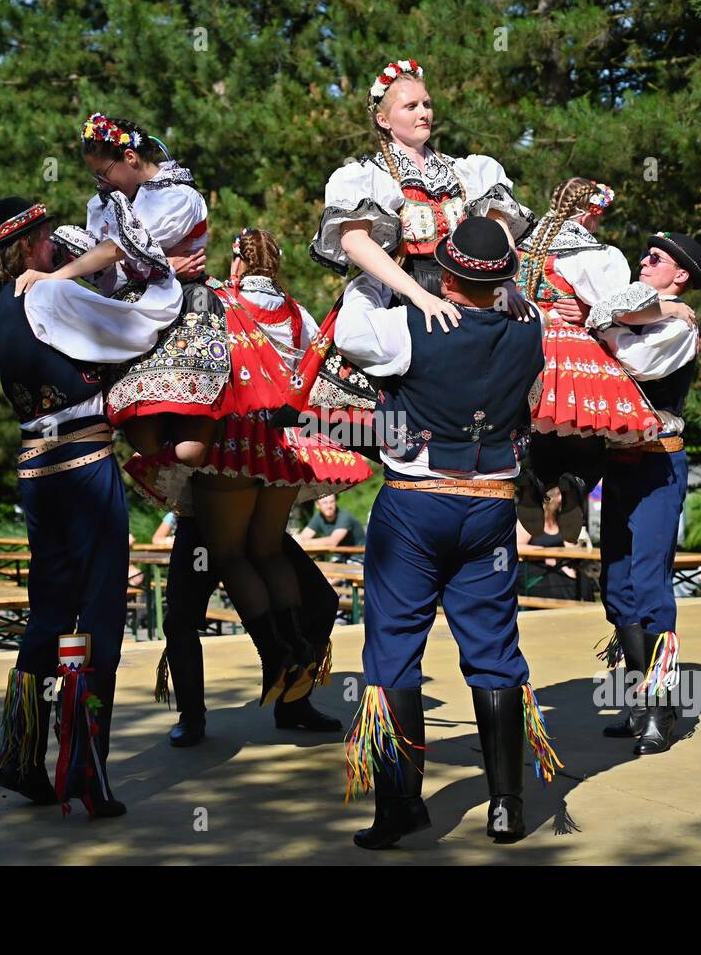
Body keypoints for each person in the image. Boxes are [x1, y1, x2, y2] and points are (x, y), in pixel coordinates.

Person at [335, 216, 561, 849]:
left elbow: (350, 326)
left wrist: (386, 277)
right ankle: (507, 806)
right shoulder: (532, 326)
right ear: (504, 280)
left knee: (393, 651)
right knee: (493, 650)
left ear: (447, 272)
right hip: (491, 508)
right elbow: (523, 303)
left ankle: (400, 808)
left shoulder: (410, 326)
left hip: (415, 506)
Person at [0, 195, 181, 819]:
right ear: (31, 242)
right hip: (83, 466)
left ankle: (23, 755)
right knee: (98, 614)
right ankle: (84, 771)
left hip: (35, 471)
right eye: (45, 237)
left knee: (49, 611)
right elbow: (138, 326)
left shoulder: (0, 307)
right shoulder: (47, 294)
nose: (52, 247)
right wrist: (170, 278)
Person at [149, 228, 372, 715]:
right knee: (268, 550)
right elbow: (317, 369)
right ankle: (291, 650)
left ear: (237, 265)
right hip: (283, 448)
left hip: (231, 443)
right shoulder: (295, 312)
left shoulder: (214, 300)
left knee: (227, 555)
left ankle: (277, 656)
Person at [296, 59, 537, 440]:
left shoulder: (467, 170)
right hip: (405, 285)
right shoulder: (367, 175)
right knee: (415, 407)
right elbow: (354, 241)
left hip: (469, 284)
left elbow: (497, 227)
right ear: (384, 120)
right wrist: (418, 296)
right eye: (411, 107)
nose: (424, 113)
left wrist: (508, 284)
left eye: (426, 104)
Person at [16, 113, 230, 493]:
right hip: (130, 315)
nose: (100, 182)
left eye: (104, 172)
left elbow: (116, 249)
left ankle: (217, 480)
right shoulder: (104, 203)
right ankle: (191, 500)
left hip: (187, 311)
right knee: (144, 437)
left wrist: (55, 277)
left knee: (190, 448)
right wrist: (161, 267)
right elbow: (112, 271)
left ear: (130, 158)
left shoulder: (177, 196)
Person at [515, 178, 696, 544]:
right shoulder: (594, 254)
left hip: (525, 347)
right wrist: (670, 307)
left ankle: (533, 479)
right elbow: (620, 308)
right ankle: (578, 482)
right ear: (589, 216)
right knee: (587, 424)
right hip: (571, 351)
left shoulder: (523, 245)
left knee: (536, 421)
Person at [590, 231, 701, 757]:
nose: (643, 259)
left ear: (680, 275)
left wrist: (603, 325)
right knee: (616, 585)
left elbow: (631, 361)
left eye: (656, 258)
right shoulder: (656, 310)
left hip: (658, 463)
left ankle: (662, 707)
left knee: (649, 584)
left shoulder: (679, 326)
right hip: (619, 462)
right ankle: (638, 697)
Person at [157, 514, 345, 747]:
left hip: (255, 525)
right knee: (180, 619)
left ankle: (293, 702)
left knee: (322, 602)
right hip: (201, 528)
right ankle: (191, 714)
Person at [298, 494, 366, 561]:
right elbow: (303, 537)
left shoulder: (344, 516)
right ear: (317, 505)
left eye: (332, 502)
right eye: (325, 503)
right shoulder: (319, 517)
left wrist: (306, 542)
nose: (329, 506)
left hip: (359, 556)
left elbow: (333, 541)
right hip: (340, 557)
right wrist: (300, 540)